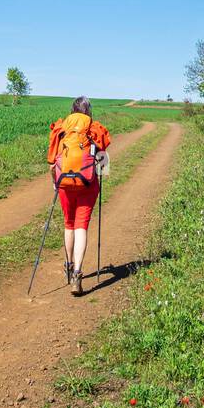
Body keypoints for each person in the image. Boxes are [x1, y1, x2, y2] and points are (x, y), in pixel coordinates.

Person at [47, 97, 112, 295]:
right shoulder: (95, 129)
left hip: (65, 184)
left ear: (72, 110)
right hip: (87, 184)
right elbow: (104, 164)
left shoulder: (60, 128)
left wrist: (54, 183)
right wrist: (100, 173)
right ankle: (77, 273)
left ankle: (68, 264)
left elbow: (52, 163)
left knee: (69, 224)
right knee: (81, 226)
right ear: (88, 111)